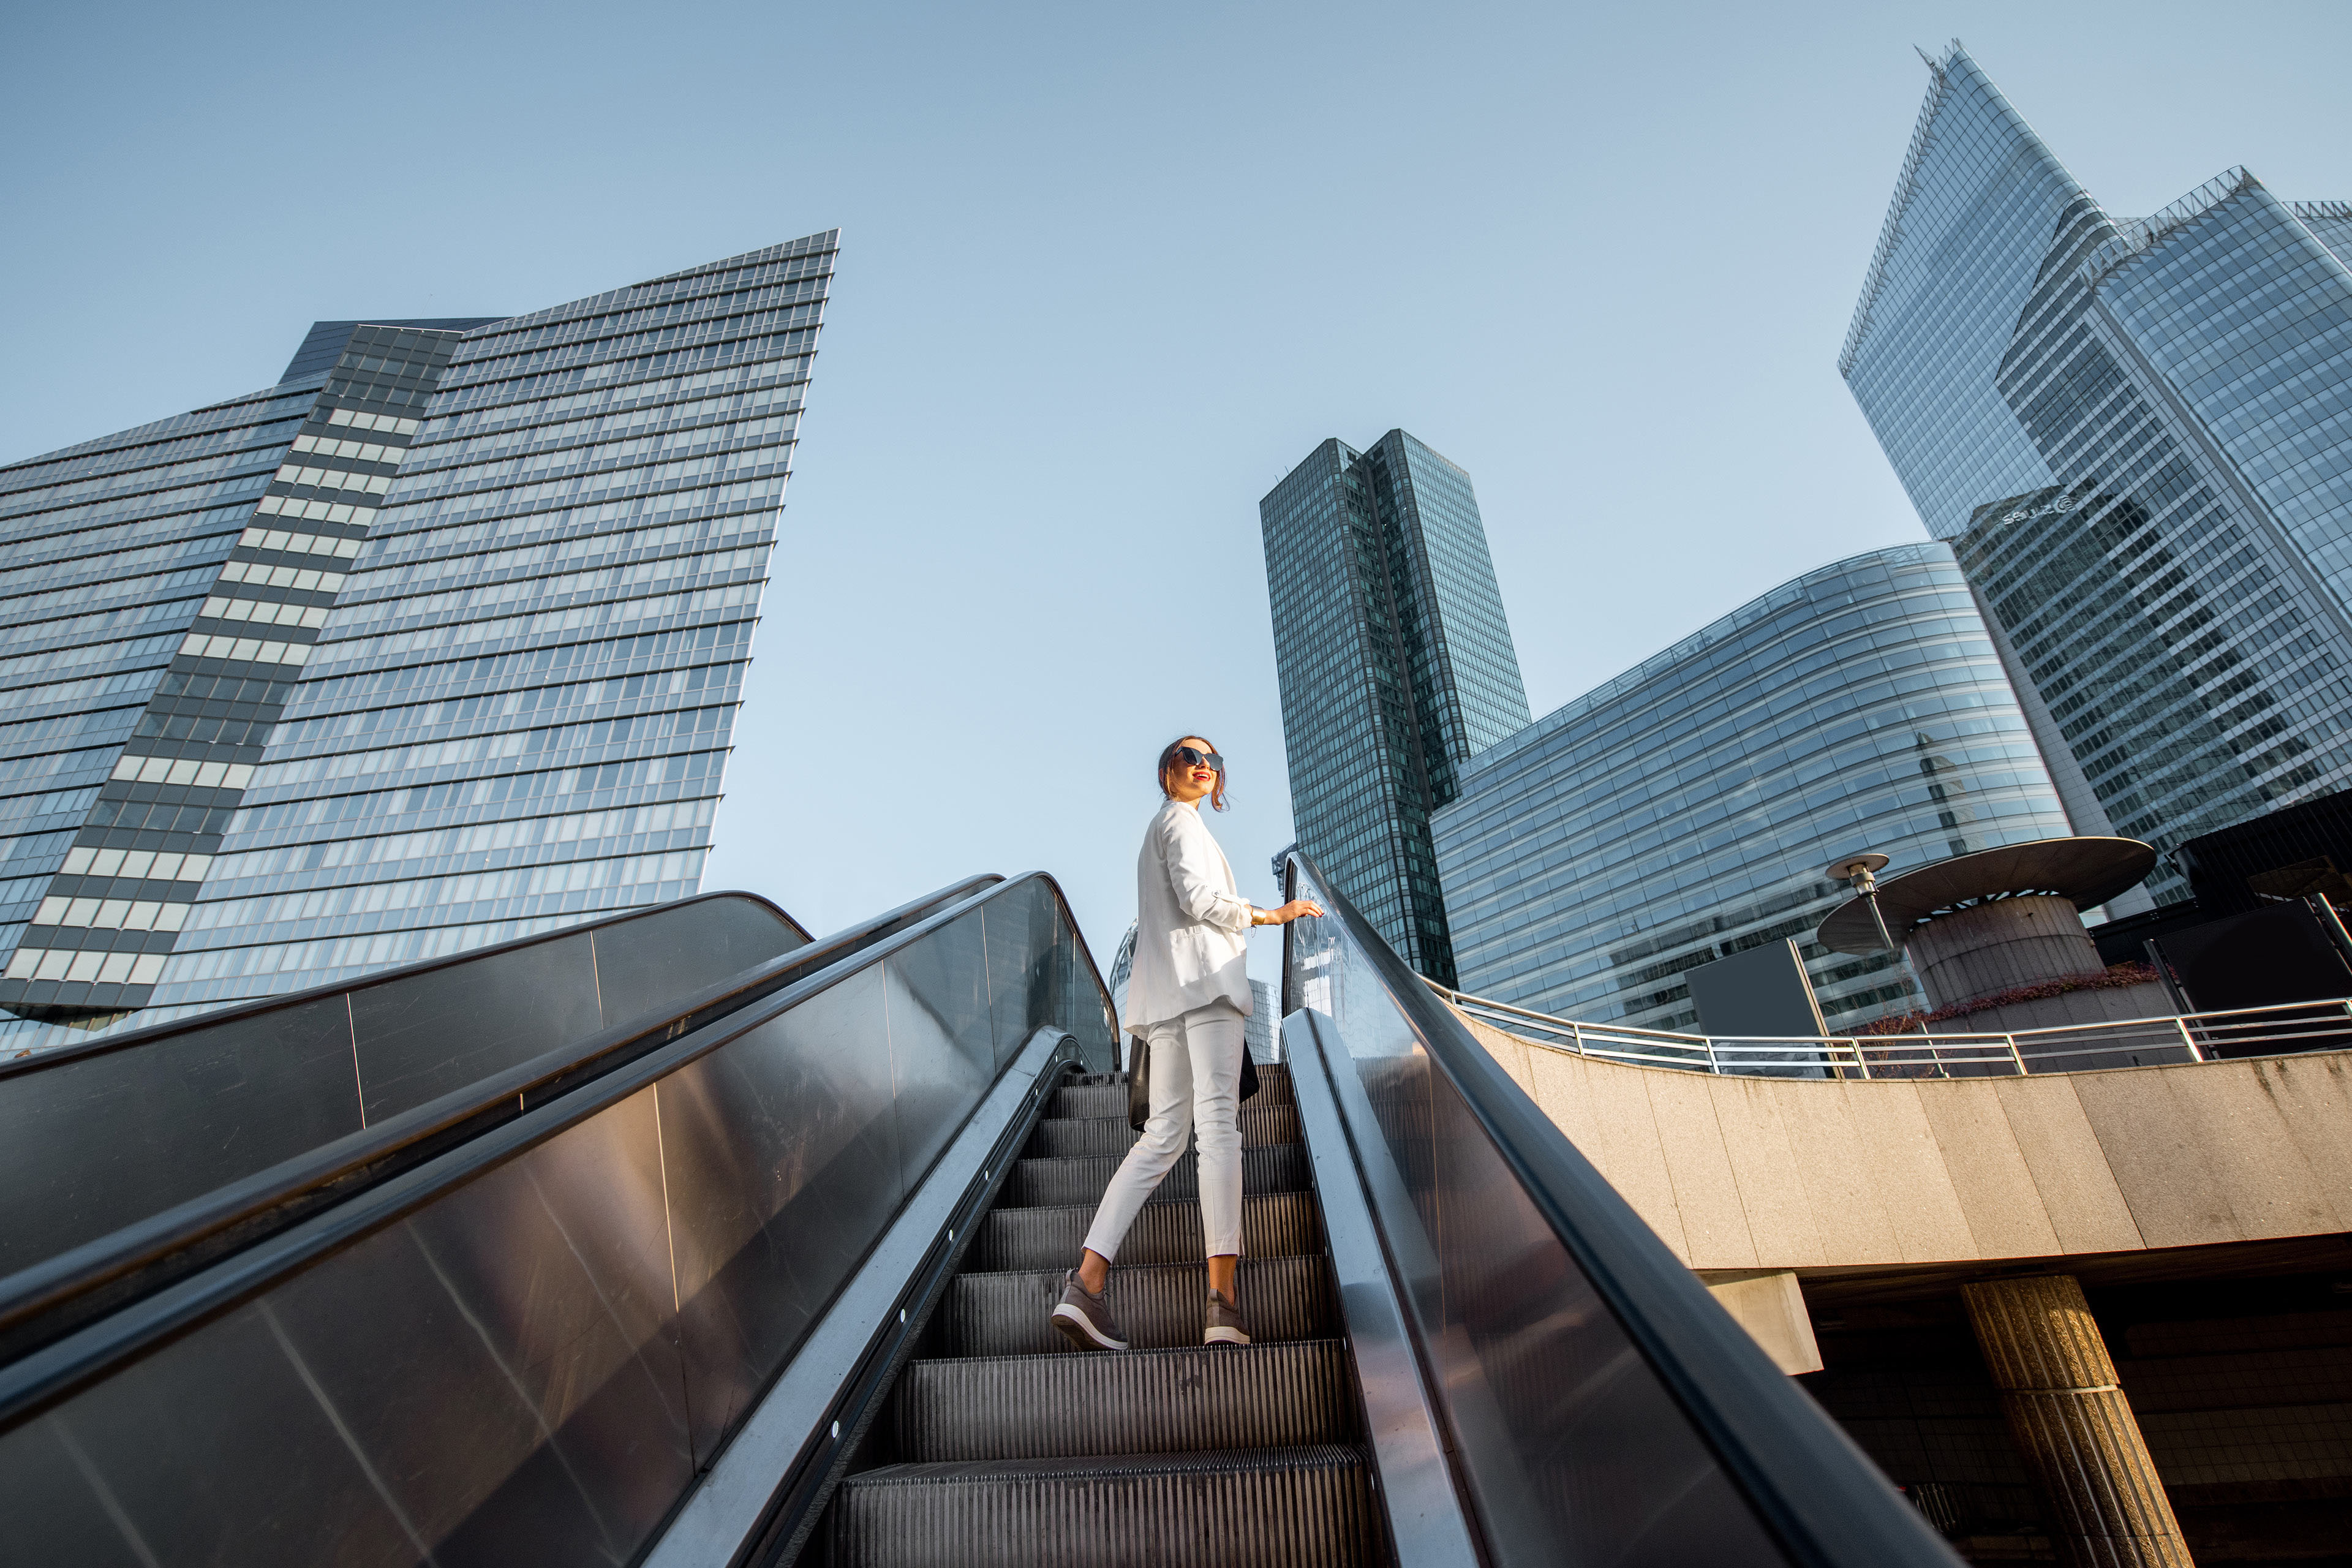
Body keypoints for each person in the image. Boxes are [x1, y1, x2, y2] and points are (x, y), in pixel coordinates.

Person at [1050, 736, 1322, 1351]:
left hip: (1168, 999)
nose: (1203, 765)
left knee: (1163, 1139)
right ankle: (1223, 1303)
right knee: (1219, 1128)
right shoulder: (1179, 823)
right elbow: (1200, 901)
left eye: (1213, 761)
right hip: (1204, 989)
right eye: (1188, 757)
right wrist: (1271, 915)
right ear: (1166, 773)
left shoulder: (1165, 829)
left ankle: (1086, 1283)